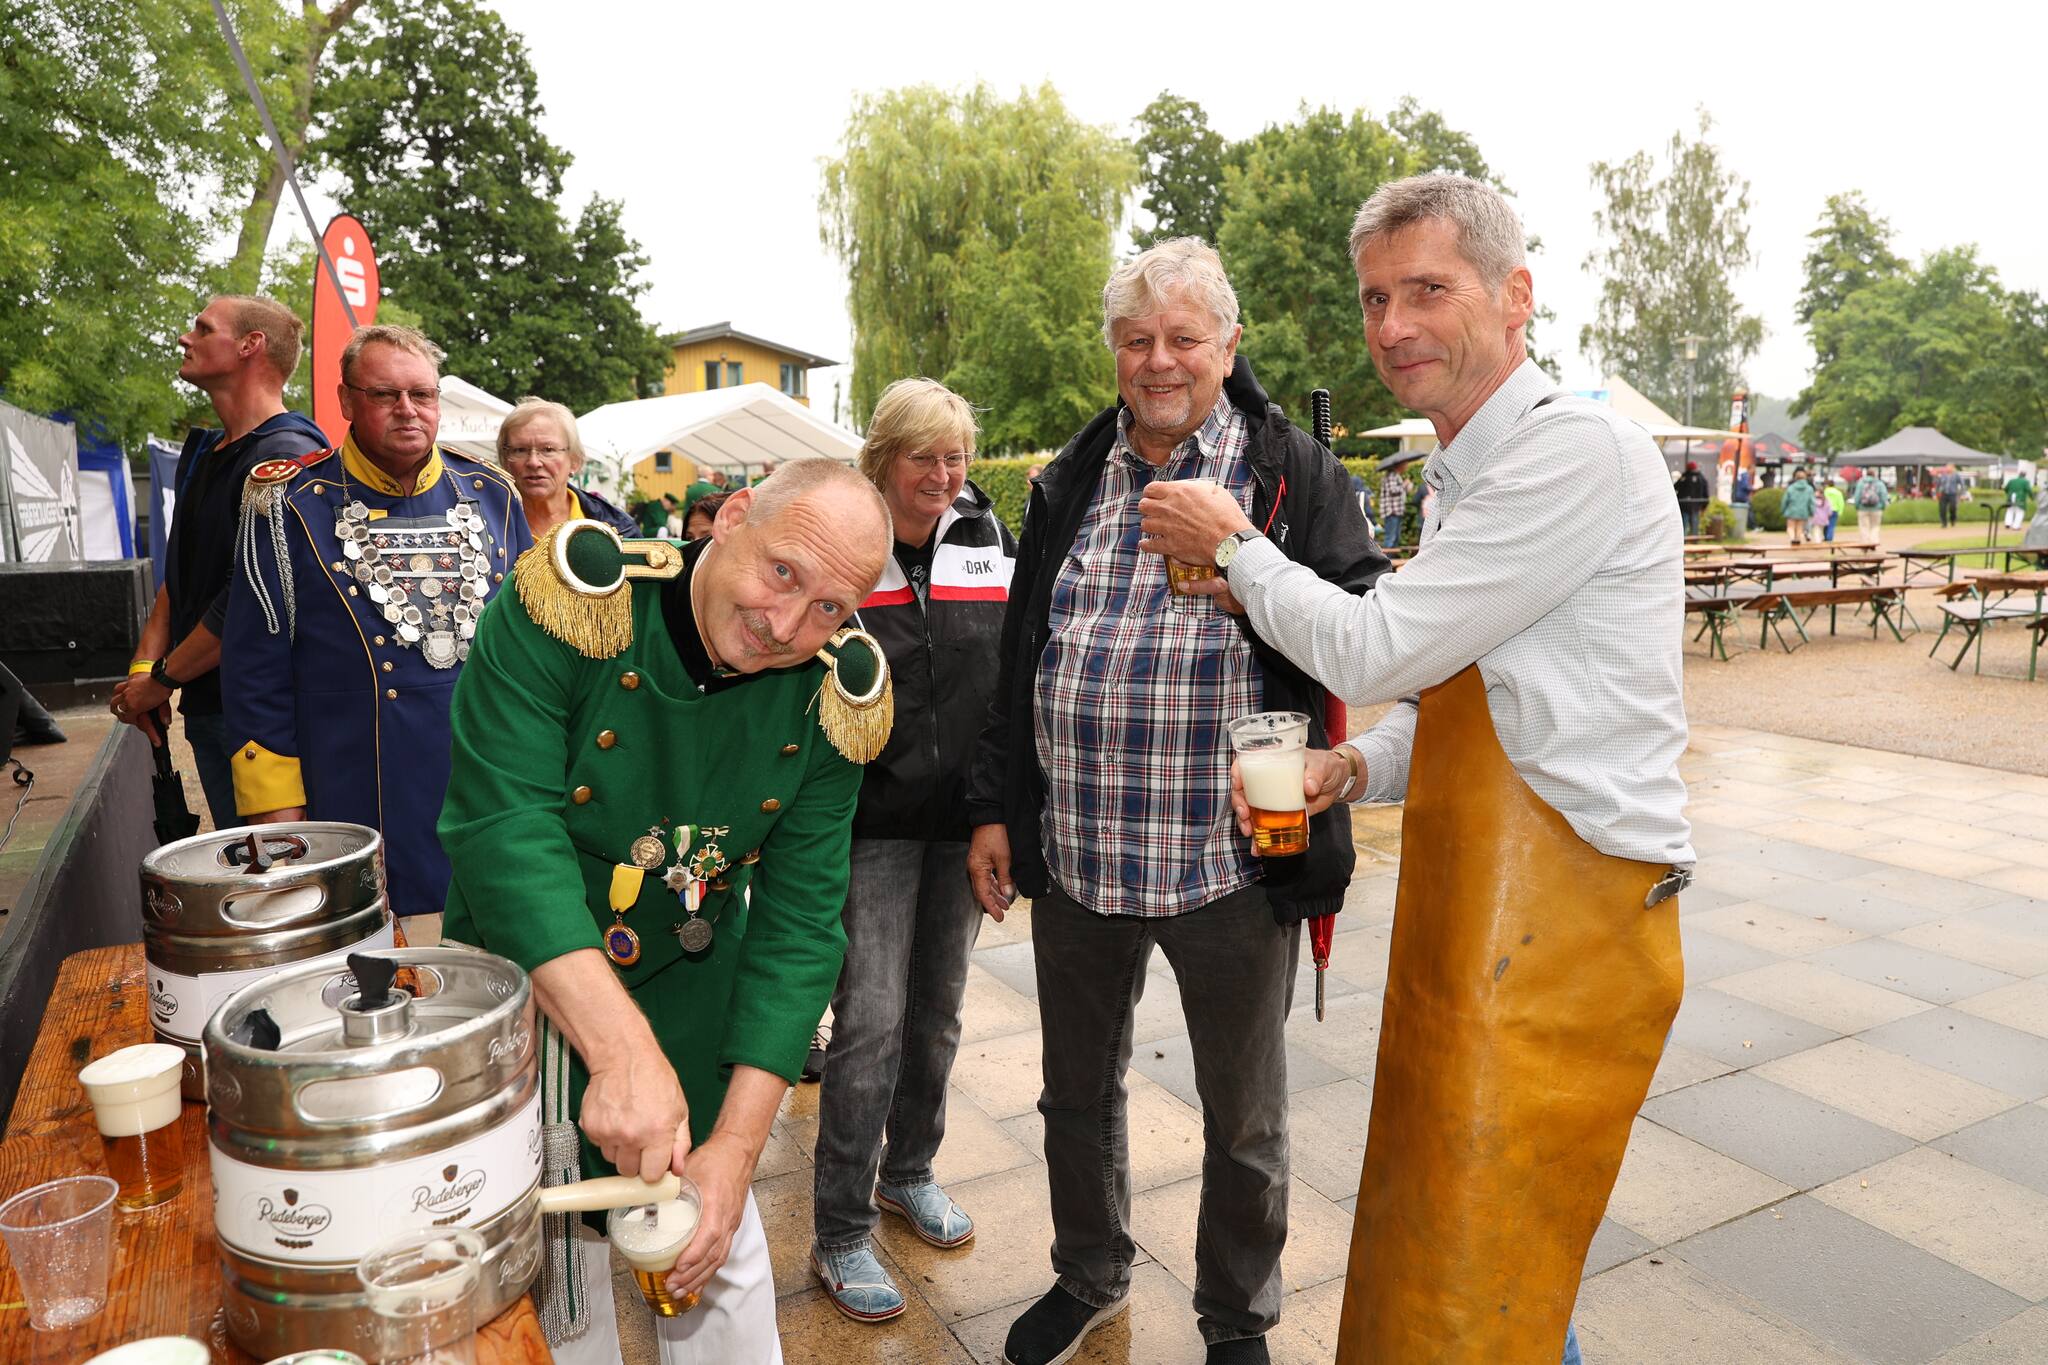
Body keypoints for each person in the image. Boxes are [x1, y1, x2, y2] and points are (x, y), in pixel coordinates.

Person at [1138, 174, 1690, 1365]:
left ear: (1514, 296)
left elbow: (1378, 644)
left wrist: (1233, 545)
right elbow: (1470, 697)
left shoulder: (1571, 455)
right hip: (1494, 912)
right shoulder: (1465, 475)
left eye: (1426, 290)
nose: (1391, 327)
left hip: (1570, 916)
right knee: (1475, 1265)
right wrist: (1352, 764)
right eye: (1376, 297)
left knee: (1476, 1266)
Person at [966, 238, 1386, 1365]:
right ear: (1112, 351)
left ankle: (1234, 1317)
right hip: (1081, 848)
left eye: (1181, 339)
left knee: (1243, 1120)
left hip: (1230, 859)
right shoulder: (1068, 476)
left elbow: (1361, 626)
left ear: (1226, 345)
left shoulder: (1289, 471)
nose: (1157, 361)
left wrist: (1248, 563)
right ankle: (1090, 1273)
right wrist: (996, 806)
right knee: (1072, 1099)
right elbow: (1021, 654)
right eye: (1135, 339)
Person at [438, 459, 894, 1363]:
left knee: (721, 1261)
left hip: (691, 990)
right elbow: (503, 830)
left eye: (830, 610)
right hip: (527, 975)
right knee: (542, 1291)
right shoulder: (578, 601)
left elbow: (801, 926)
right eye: (783, 573)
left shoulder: (835, 699)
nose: (786, 626)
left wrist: (734, 1146)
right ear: (729, 519)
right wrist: (619, 1050)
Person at [810, 378, 1018, 1321]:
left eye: (956, 457)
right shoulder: (846, 538)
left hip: (962, 823)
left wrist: (998, 811)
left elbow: (1009, 674)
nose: (942, 475)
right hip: (869, 824)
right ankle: (841, 1228)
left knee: (937, 1015)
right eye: (922, 458)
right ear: (881, 458)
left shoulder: (984, 535)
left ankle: (912, 1170)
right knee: (870, 1025)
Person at [221, 323, 532, 935]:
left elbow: (530, 653)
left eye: (423, 394)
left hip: (489, 800)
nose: (408, 410)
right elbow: (255, 676)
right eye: (385, 395)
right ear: (345, 402)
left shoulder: (494, 493)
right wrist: (284, 833)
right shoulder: (286, 502)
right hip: (351, 803)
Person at [110, 296, 326, 827]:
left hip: (263, 718)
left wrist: (163, 677)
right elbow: (181, 577)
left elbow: (251, 597)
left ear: (250, 345)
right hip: (215, 710)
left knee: (280, 892)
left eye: (203, 329)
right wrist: (143, 669)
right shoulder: (210, 453)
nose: (187, 338)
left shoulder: (286, 454)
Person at [499, 397, 636, 540]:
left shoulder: (620, 531)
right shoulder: (483, 526)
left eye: (548, 449)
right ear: (505, 461)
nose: (534, 462)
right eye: (520, 450)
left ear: (575, 460)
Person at [1852, 467, 1891, 541]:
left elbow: (1857, 496)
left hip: (1862, 508)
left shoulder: (1861, 483)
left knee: (1864, 526)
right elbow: (1883, 496)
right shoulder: (1879, 483)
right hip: (1877, 508)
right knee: (1875, 526)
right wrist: (1883, 506)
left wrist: (1857, 506)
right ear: (1874, 475)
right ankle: (1874, 541)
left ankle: (1865, 543)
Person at [1673, 460, 1709, 536]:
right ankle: (1694, 542)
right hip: (1695, 506)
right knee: (1694, 526)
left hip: (1684, 506)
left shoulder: (1684, 477)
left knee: (1683, 527)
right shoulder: (1701, 478)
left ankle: (1684, 542)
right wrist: (1704, 506)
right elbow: (1706, 493)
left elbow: (1675, 487)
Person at [1782, 467, 1816, 545]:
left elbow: (1785, 500)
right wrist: (1812, 512)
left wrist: (1783, 509)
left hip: (1791, 510)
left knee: (1790, 527)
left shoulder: (1791, 488)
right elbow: (1812, 502)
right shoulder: (1809, 489)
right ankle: (1797, 539)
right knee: (1800, 527)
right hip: (1803, 511)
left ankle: (1792, 538)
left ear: (1795, 478)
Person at [1377, 464, 1409, 548]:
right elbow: (1393, 490)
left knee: (1396, 538)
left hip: (1397, 511)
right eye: (1405, 464)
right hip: (1392, 511)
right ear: (1399, 465)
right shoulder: (1391, 476)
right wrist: (1404, 485)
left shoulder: (1397, 476)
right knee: (1390, 538)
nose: (1407, 466)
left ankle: (1392, 559)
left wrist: (1407, 486)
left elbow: (1400, 492)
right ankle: (1387, 560)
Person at [1822, 473, 1847, 544]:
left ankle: (1825, 537)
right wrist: (1840, 512)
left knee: (1826, 524)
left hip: (1825, 510)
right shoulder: (1838, 492)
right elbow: (1841, 503)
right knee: (1832, 525)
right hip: (1835, 510)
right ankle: (1829, 538)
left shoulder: (1825, 491)